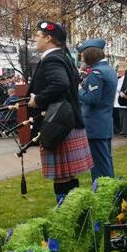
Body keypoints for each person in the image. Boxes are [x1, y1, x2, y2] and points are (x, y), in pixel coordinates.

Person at [26, 21, 94, 204]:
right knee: (68, 175)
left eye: (38, 36)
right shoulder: (63, 57)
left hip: (58, 124)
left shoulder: (52, 59)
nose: (35, 39)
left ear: (48, 38)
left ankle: (66, 213)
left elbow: (60, 84)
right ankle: (77, 210)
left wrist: (37, 99)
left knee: (61, 176)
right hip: (66, 122)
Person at [76, 38, 117, 181]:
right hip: (103, 122)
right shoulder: (109, 70)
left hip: (95, 124)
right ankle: (111, 190)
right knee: (105, 160)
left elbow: (92, 99)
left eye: (82, 55)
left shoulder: (97, 73)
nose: (81, 58)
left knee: (99, 164)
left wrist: (79, 90)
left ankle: (104, 193)